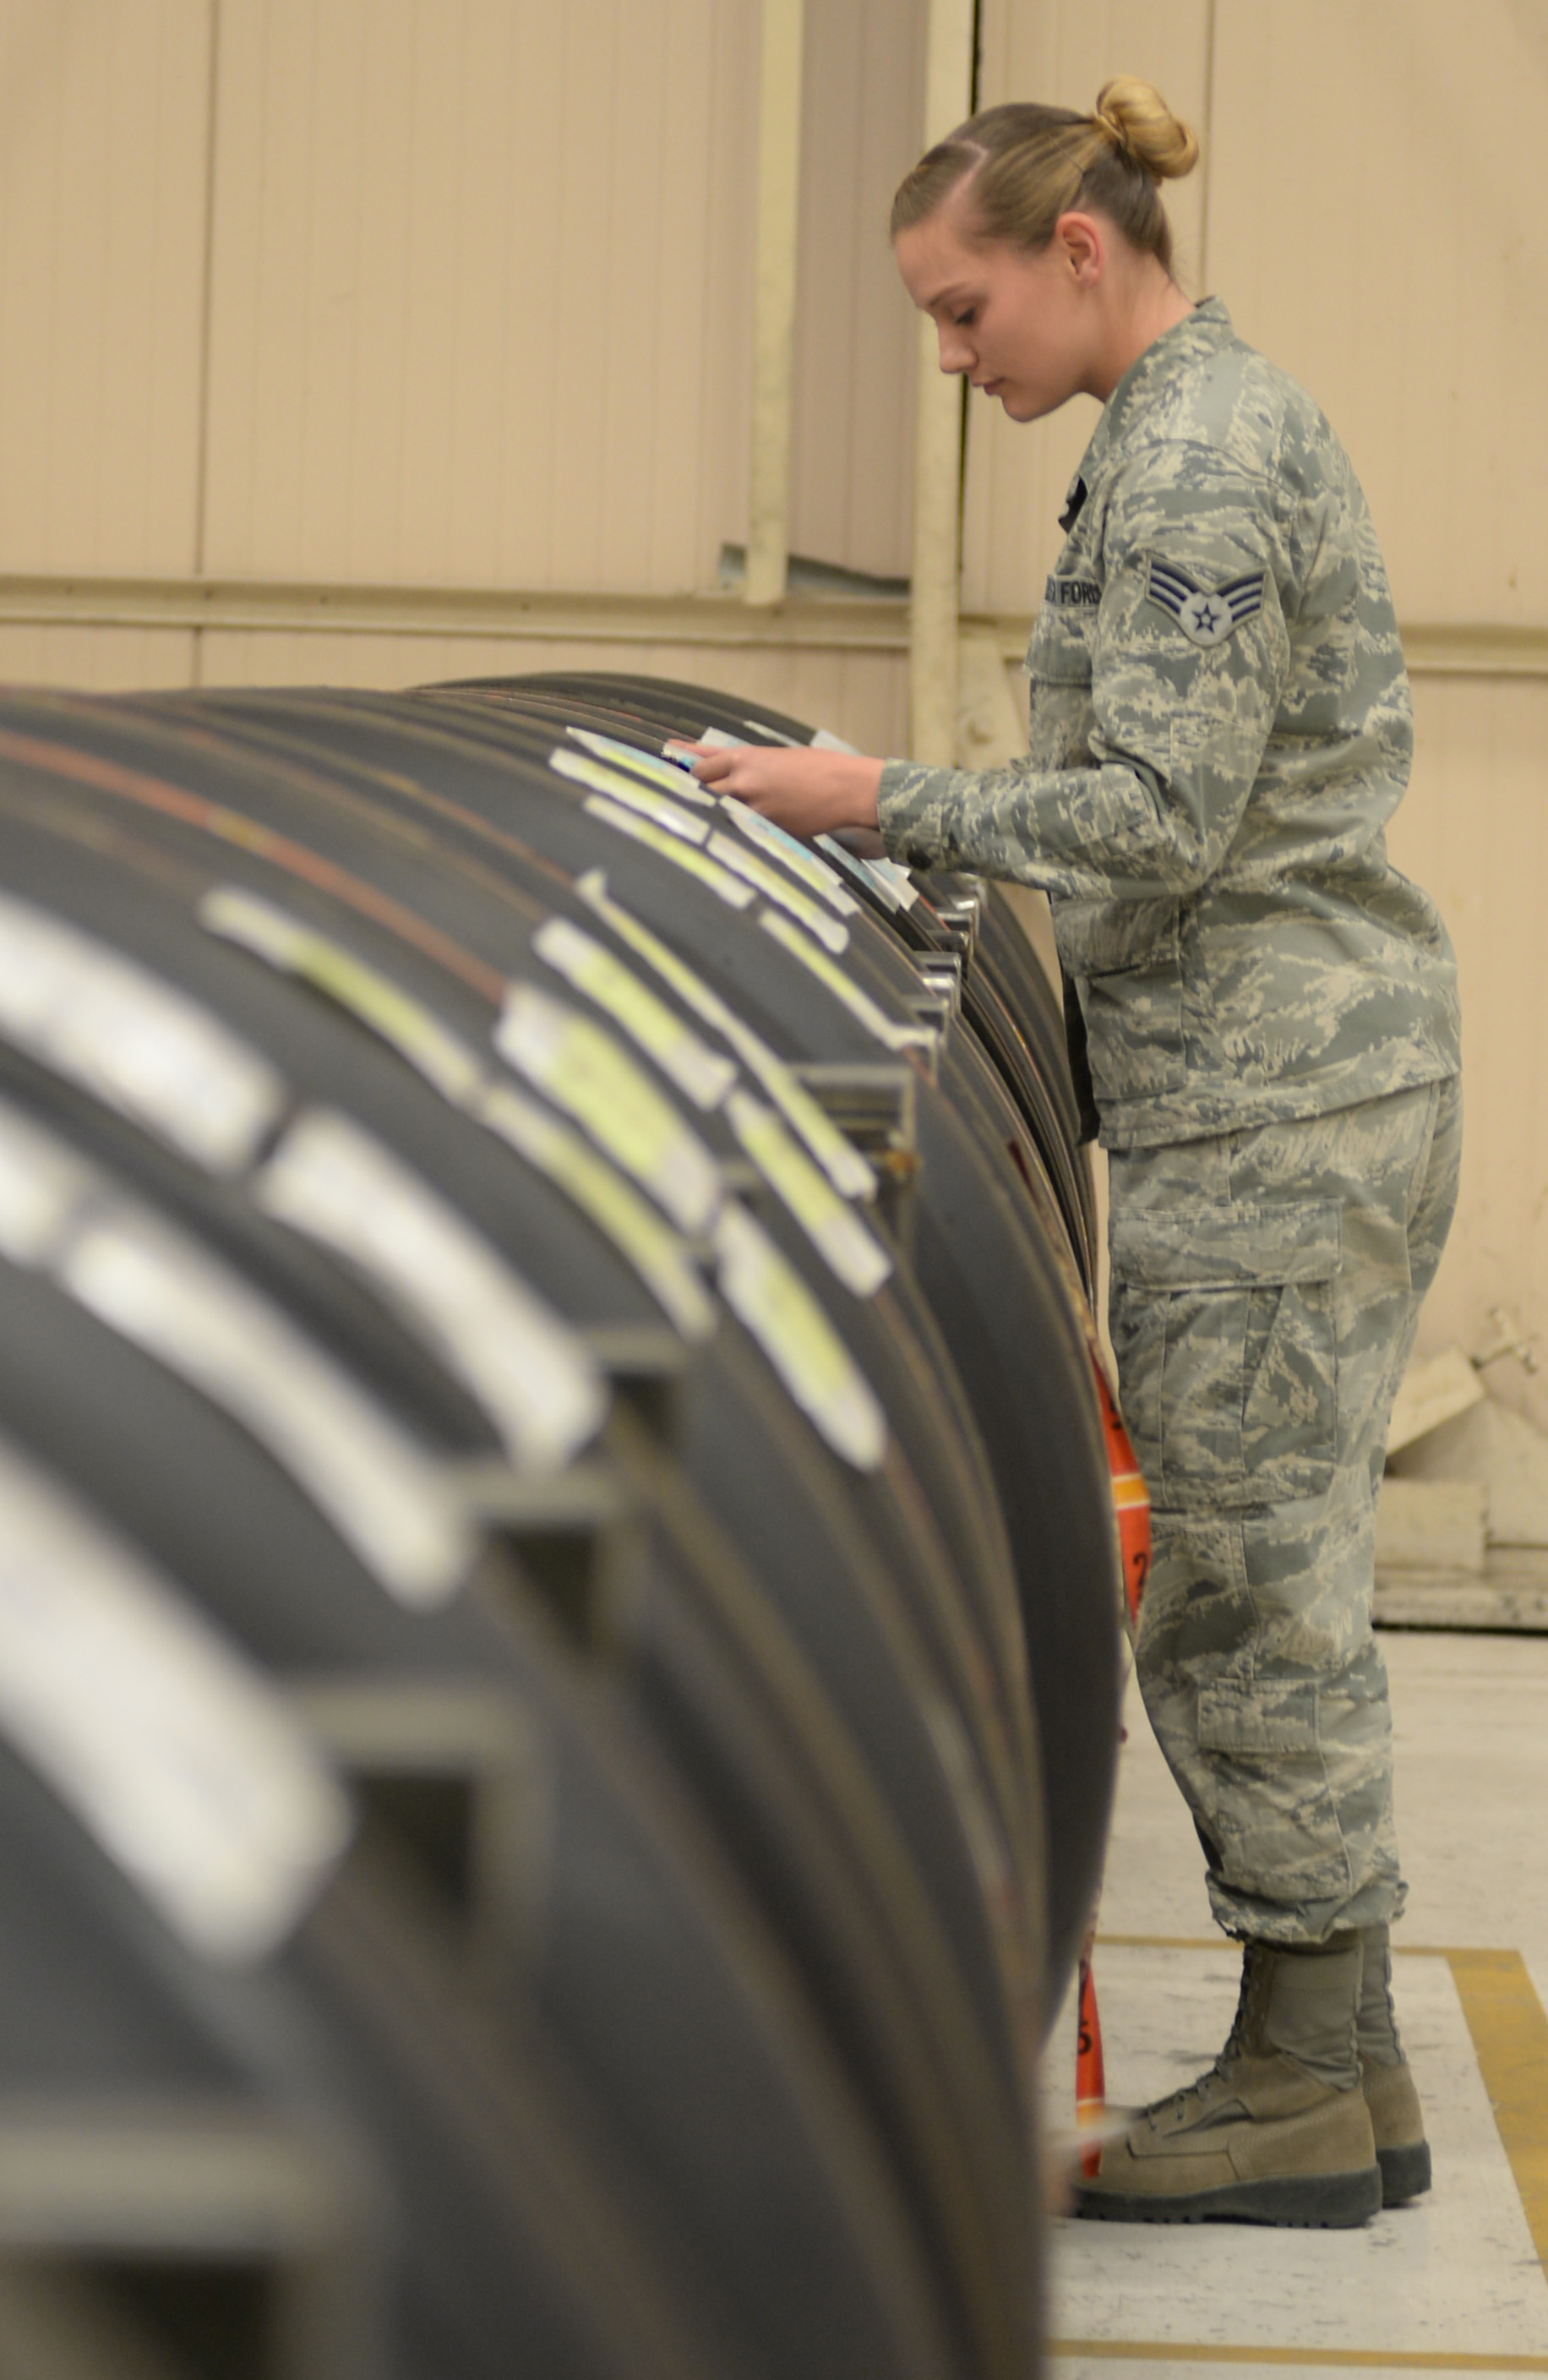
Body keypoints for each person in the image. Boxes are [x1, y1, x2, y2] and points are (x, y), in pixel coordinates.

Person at [688, 77, 1462, 2230]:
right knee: (1264, 1573)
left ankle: (1308, 2073)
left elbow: (1155, 809)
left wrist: (880, 796)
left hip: (1275, 1099)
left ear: (1080, 253)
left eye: (962, 310)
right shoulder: (1172, 431)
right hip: (1272, 1087)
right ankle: (1348, 2066)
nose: (955, 359)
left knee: (1244, 1592)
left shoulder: (1200, 456)